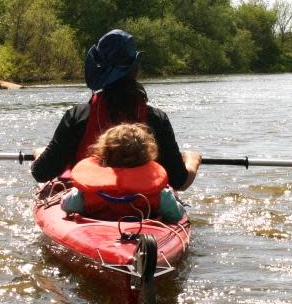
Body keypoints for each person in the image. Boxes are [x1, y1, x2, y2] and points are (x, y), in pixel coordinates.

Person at [31, 29, 201, 189]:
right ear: (135, 70)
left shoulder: (77, 117)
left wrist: (39, 154)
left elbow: (41, 173)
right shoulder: (156, 119)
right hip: (142, 207)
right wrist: (193, 160)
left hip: (90, 205)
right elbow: (179, 182)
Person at [60, 123, 185, 222]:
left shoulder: (87, 190)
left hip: (99, 231)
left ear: (104, 153)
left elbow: (66, 206)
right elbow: (177, 215)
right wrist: (175, 200)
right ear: (147, 155)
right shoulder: (158, 193)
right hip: (142, 232)